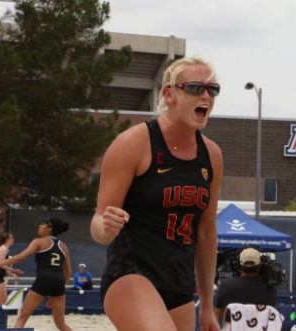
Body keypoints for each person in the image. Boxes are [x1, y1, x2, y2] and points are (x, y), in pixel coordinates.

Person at [90, 56, 223, 331]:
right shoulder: (133, 143)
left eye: (213, 89)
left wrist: (208, 305)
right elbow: (98, 221)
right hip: (131, 275)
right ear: (168, 93)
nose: (206, 96)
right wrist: (106, 227)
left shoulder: (212, 154)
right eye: (196, 88)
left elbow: (207, 233)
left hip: (179, 284)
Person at [0, 218, 73, 330]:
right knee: (61, 323)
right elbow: (68, 273)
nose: (39, 226)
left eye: (42, 224)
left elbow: (20, 258)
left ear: (49, 228)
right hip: (59, 282)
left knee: (22, 317)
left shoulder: (39, 241)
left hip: (43, 279)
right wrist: (57, 292)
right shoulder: (64, 246)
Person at [213, 247, 276, 320]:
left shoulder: (225, 285)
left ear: (238, 265)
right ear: (261, 265)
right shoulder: (271, 289)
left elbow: (217, 315)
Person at [0, 232, 23, 304]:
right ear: (7, 239)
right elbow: (1, 264)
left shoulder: (6, 249)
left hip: (0, 277)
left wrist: (11, 273)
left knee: (4, 299)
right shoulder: (3, 249)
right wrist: (13, 270)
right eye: (11, 238)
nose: (13, 239)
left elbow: (4, 266)